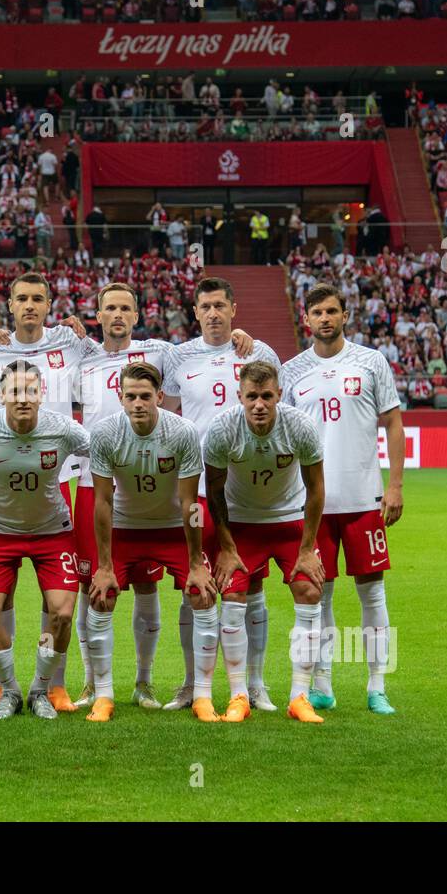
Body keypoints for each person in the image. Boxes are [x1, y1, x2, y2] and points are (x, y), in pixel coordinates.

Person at [71, 282, 254, 709]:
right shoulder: (80, 354)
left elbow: (210, 347)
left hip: (160, 489)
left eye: (125, 309)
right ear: (97, 315)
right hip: (93, 483)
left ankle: (147, 682)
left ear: (136, 316)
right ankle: (89, 681)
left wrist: (244, 338)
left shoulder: (160, 352)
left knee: (150, 589)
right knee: (91, 586)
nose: (117, 315)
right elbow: (39, 351)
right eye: (109, 308)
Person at [0, 272, 101, 712]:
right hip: (2, 480)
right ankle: (1, 685)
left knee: (57, 600)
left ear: (49, 304)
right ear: (9, 304)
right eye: (21, 298)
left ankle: (53, 684)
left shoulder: (71, 341)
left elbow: (112, 364)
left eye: (37, 299)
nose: (29, 305)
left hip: (57, 476)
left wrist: (85, 332)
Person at [281, 283, 404, 715]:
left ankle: (376, 686)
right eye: (318, 312)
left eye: (332, 311)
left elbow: (392, 422)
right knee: (321, 595)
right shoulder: (291, 370)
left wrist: (395, 486)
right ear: (307, 319)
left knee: (372, 595)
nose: (326, 318)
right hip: (312, 505)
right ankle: (323, 685)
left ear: (345, 315)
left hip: (364, 499)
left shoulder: (371, 362)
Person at [161, 277, 281, 712]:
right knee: (193, 585)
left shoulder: (258, 352)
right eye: (205, 306)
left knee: (250, 587)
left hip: (246, 488)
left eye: (219, 305)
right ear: (195, 312)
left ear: (234, 308)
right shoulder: (178, 356)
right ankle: (192, 684)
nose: (212, 313)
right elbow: (168, 407)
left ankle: (254, 683)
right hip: (195, 486)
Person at [0, 361, 91, 720]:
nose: (23, 398)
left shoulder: (62, 429)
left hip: (53, 533)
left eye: (31, 391)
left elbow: (101, 449)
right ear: (1, 396)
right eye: (15, 391)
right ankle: (9, 689)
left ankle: (40, 690)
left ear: (41, 394)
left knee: (61, 613)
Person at [86, 362, 211, 722]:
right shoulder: (106, 433)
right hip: (126, 527)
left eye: (145, 396)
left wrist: (197, 563)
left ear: (160, 396)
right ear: (120, 398)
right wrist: (105, 566)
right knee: (102, 596)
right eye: (131, 396)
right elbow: (102, 502)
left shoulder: (183, 432)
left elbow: (191, 504)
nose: (138, 403)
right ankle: (105, 695)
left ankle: (199, 693)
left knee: (201, 595)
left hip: (172, 526)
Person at [205, 361, 327, 725]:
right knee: (232, 598)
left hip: (288, 521)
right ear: (239, 396)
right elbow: (213, 492)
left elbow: (317, 488)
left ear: (279, 395)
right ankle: (239, 694)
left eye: (267, 396)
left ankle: (299, 696)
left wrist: (307, 549)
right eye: (252, 397)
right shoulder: (222, 429)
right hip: (241, 524)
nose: (259, 404)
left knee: (310, 592)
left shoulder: (301, 427)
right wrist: (226, 547)